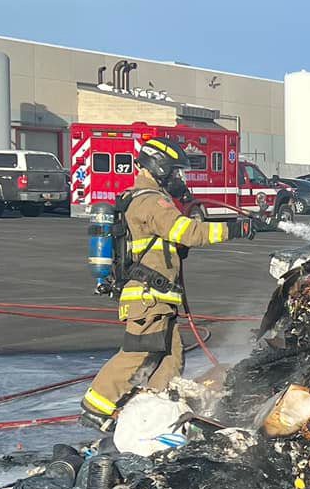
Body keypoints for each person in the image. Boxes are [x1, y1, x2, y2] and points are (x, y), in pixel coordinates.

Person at [80, 135, 247, 430]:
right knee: (139, 352)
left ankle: (156, 409)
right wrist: (237, 228)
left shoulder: (143, 199)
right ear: (159, 167)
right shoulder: (150, 201)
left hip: (159, 296)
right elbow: (189, 232)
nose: (178, 179)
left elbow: (168, 242)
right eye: (174, 172)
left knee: (171, 357)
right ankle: (96, 408)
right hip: (147, 296)